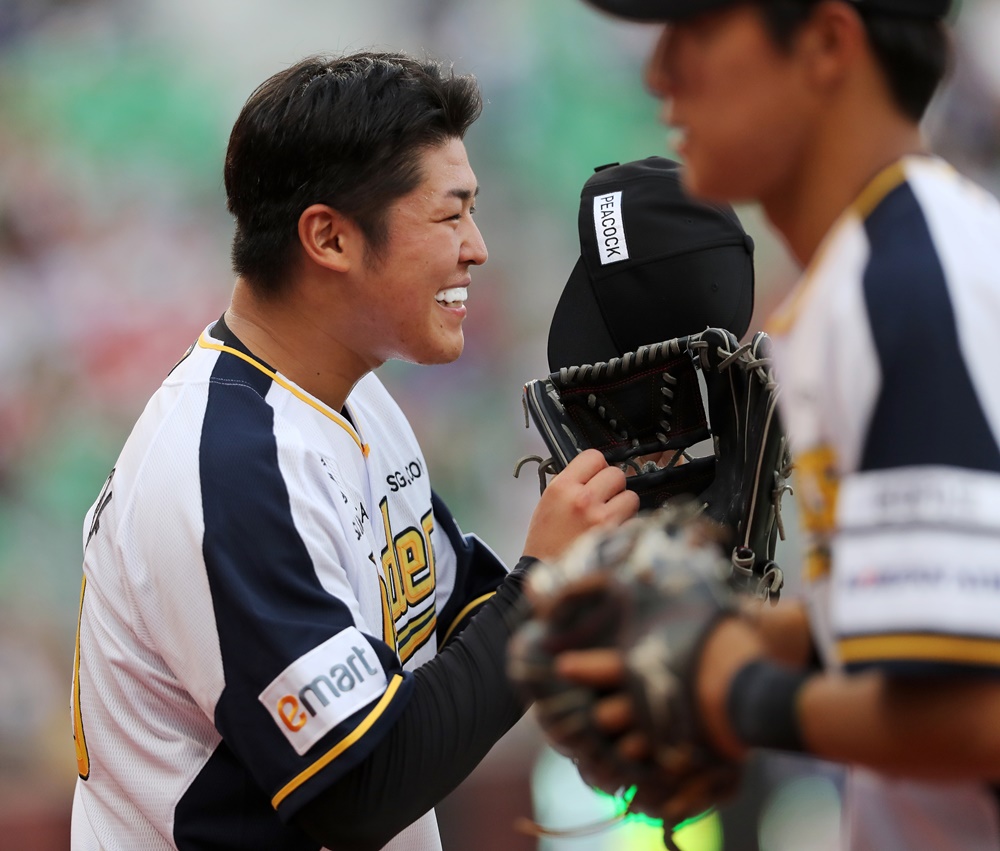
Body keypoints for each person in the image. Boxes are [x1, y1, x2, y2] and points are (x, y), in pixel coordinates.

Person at [69, 52, 639, 851]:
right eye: (450, 215)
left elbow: (453, 623)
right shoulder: (226, 467)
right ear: (330, 237)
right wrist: (543, 590)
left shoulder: (352, 395)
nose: (476, 247)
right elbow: (357, 788)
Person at [547, 1, 1000, 848]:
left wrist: (733, 690)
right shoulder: (884, 270)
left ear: (827, 44)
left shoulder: (909, 288)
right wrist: (756, 633)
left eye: (698, 28)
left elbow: (979, 712)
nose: (659, 71)